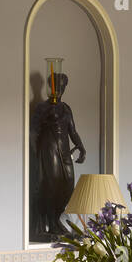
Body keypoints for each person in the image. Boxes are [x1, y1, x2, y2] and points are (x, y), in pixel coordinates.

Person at [35, 72, 86, 238]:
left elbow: (73, 131)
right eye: (57, 86)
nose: (60, 89)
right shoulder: (43, 107)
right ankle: (51, 222)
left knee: (68, 186)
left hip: (65, 151)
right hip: (49, 149)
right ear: (51, 87)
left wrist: (81, 147)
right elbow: (33, 131)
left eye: (62, 87)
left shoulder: (66, 108)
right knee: (52, 185)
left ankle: (57, 219)